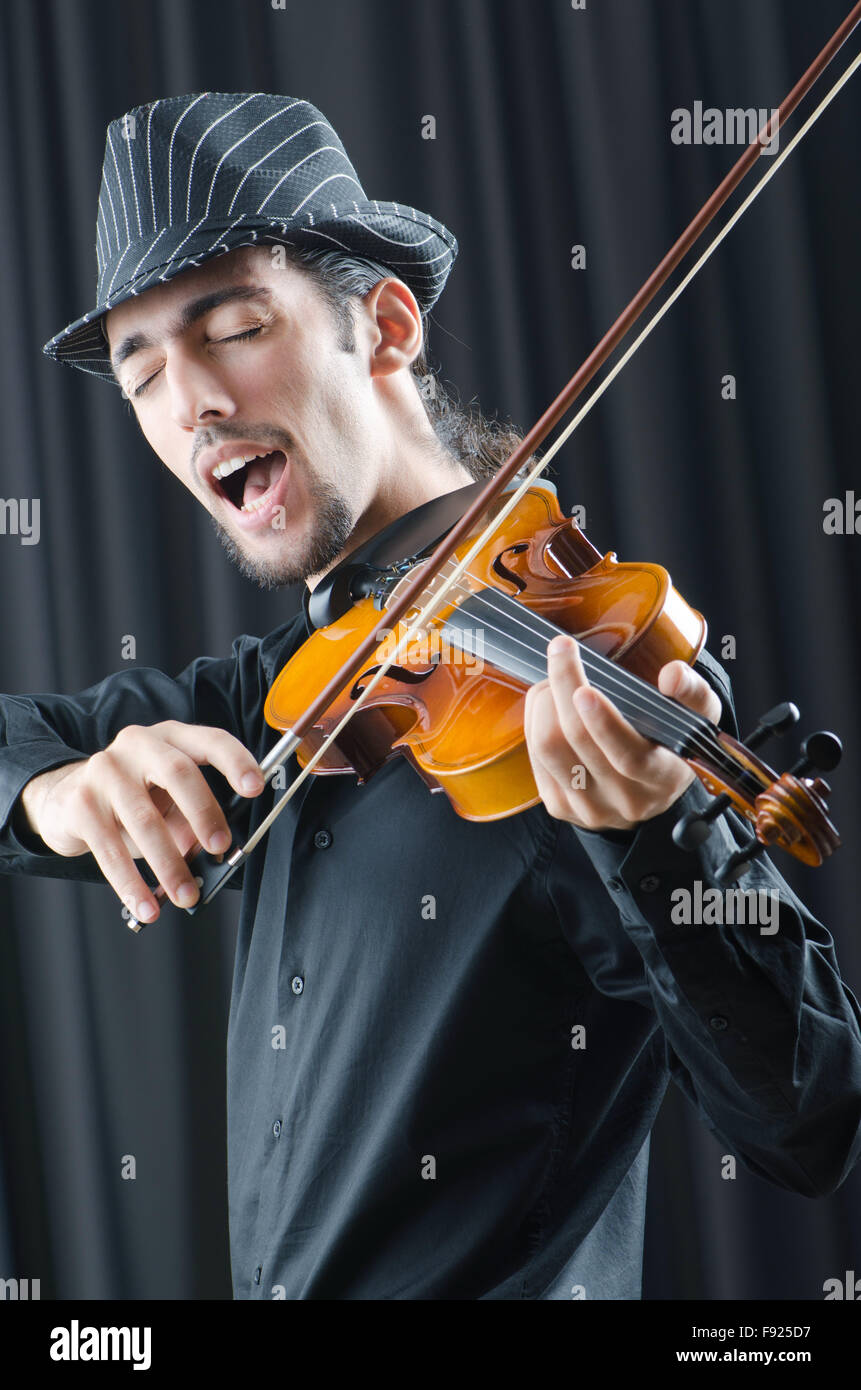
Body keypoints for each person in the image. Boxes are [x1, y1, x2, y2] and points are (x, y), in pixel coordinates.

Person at [2, 92, 860, 1300]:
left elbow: (811, 1112)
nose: (189, 402)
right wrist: (54, 787)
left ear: (387, 326)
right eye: (143, 375)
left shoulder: (599, 682)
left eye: (235, 327)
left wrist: (662, 837)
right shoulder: (280, 694)